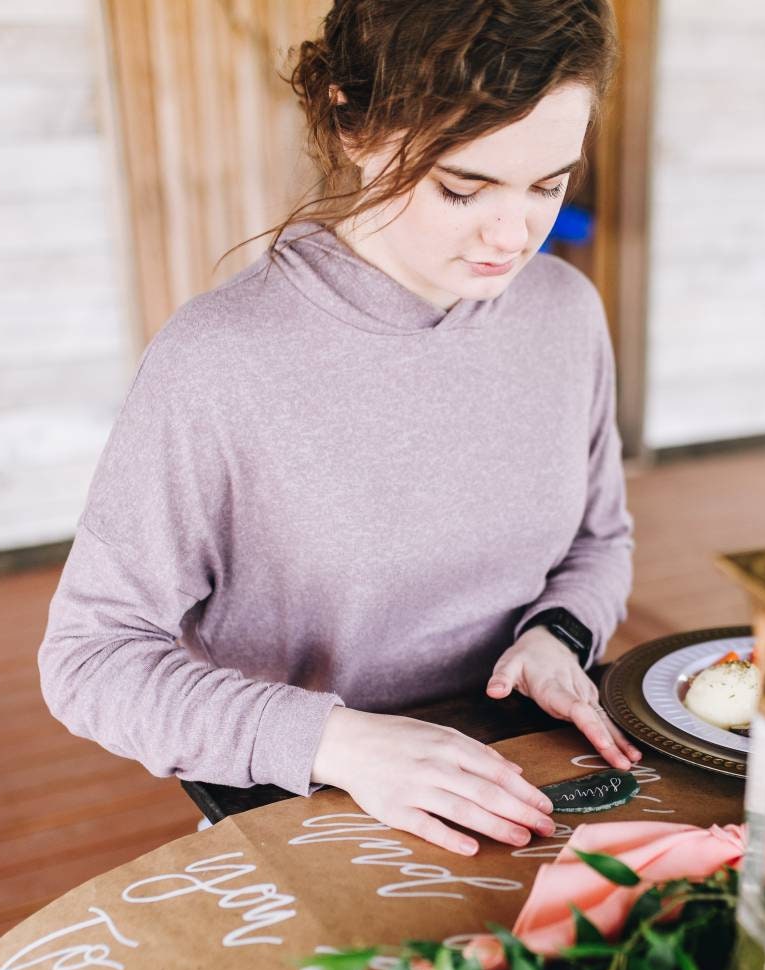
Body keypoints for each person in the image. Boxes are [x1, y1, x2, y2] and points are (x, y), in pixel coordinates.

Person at [38, 0, 639, 860]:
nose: (514, 236)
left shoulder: (565, 313)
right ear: (354, 125)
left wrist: (560, 633)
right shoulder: (219, 361)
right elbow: (89, 659)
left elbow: (600, 537)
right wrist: (338, 742)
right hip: (302, 807)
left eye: (550, 184)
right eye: (461, 187)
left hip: (529, 774)